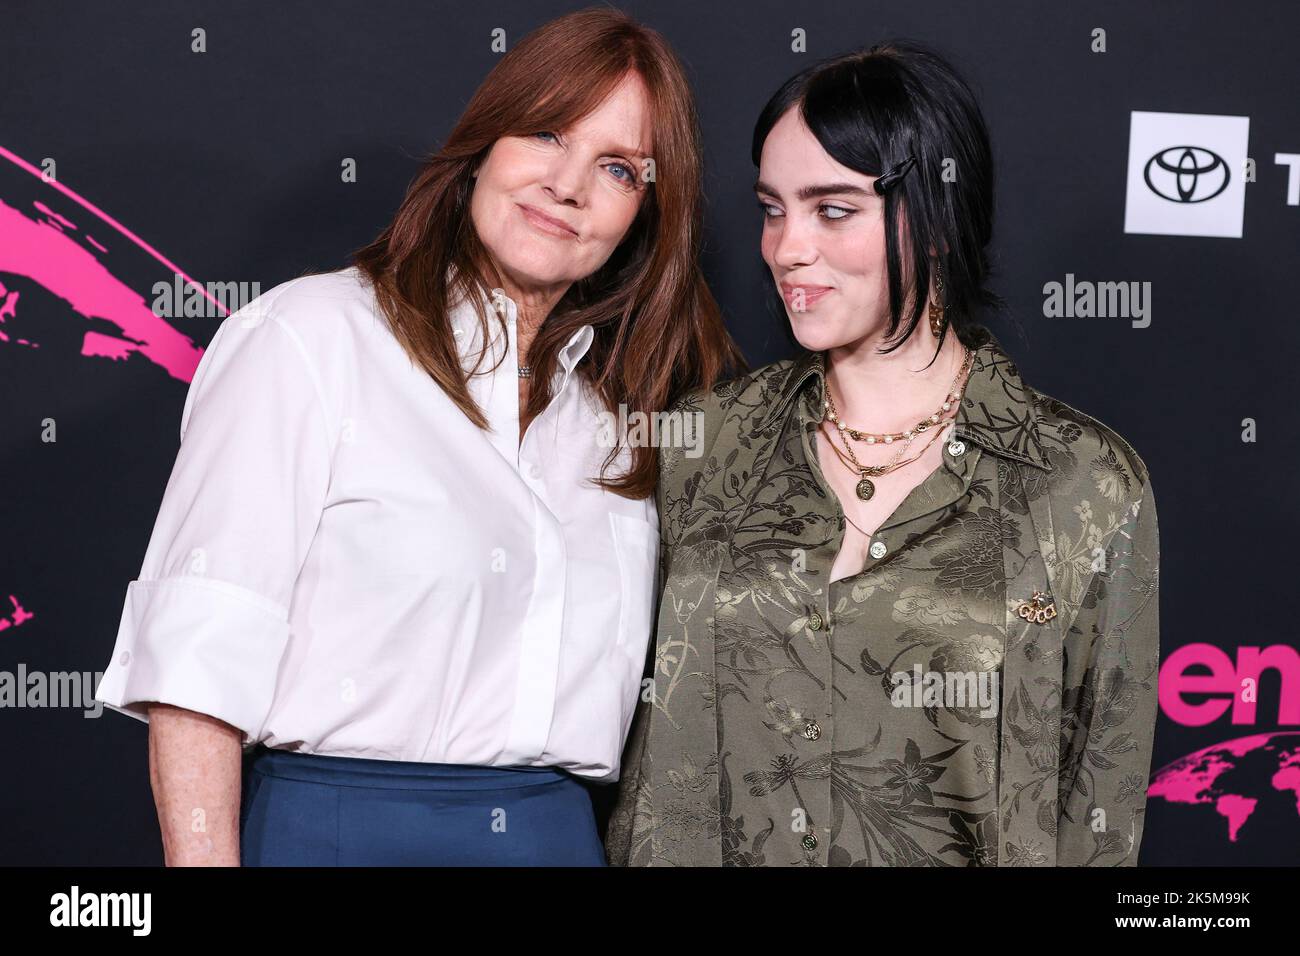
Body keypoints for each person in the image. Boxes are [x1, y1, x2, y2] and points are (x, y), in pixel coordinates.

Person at [95, 7, 741, 866]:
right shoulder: (310, 339)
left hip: (553, 839)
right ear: (484, 144)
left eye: (618, 167)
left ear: (645, 215)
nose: (568, 184)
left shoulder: (613, 423)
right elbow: (195, 680)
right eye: (546, 132)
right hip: (339, 834)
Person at [607, 40, 1160, 866]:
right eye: (771, 207)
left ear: (937, 216)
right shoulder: (704, 443)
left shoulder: (1081, 481)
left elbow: (1099, 800)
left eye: (833, 210)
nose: (787, 247)